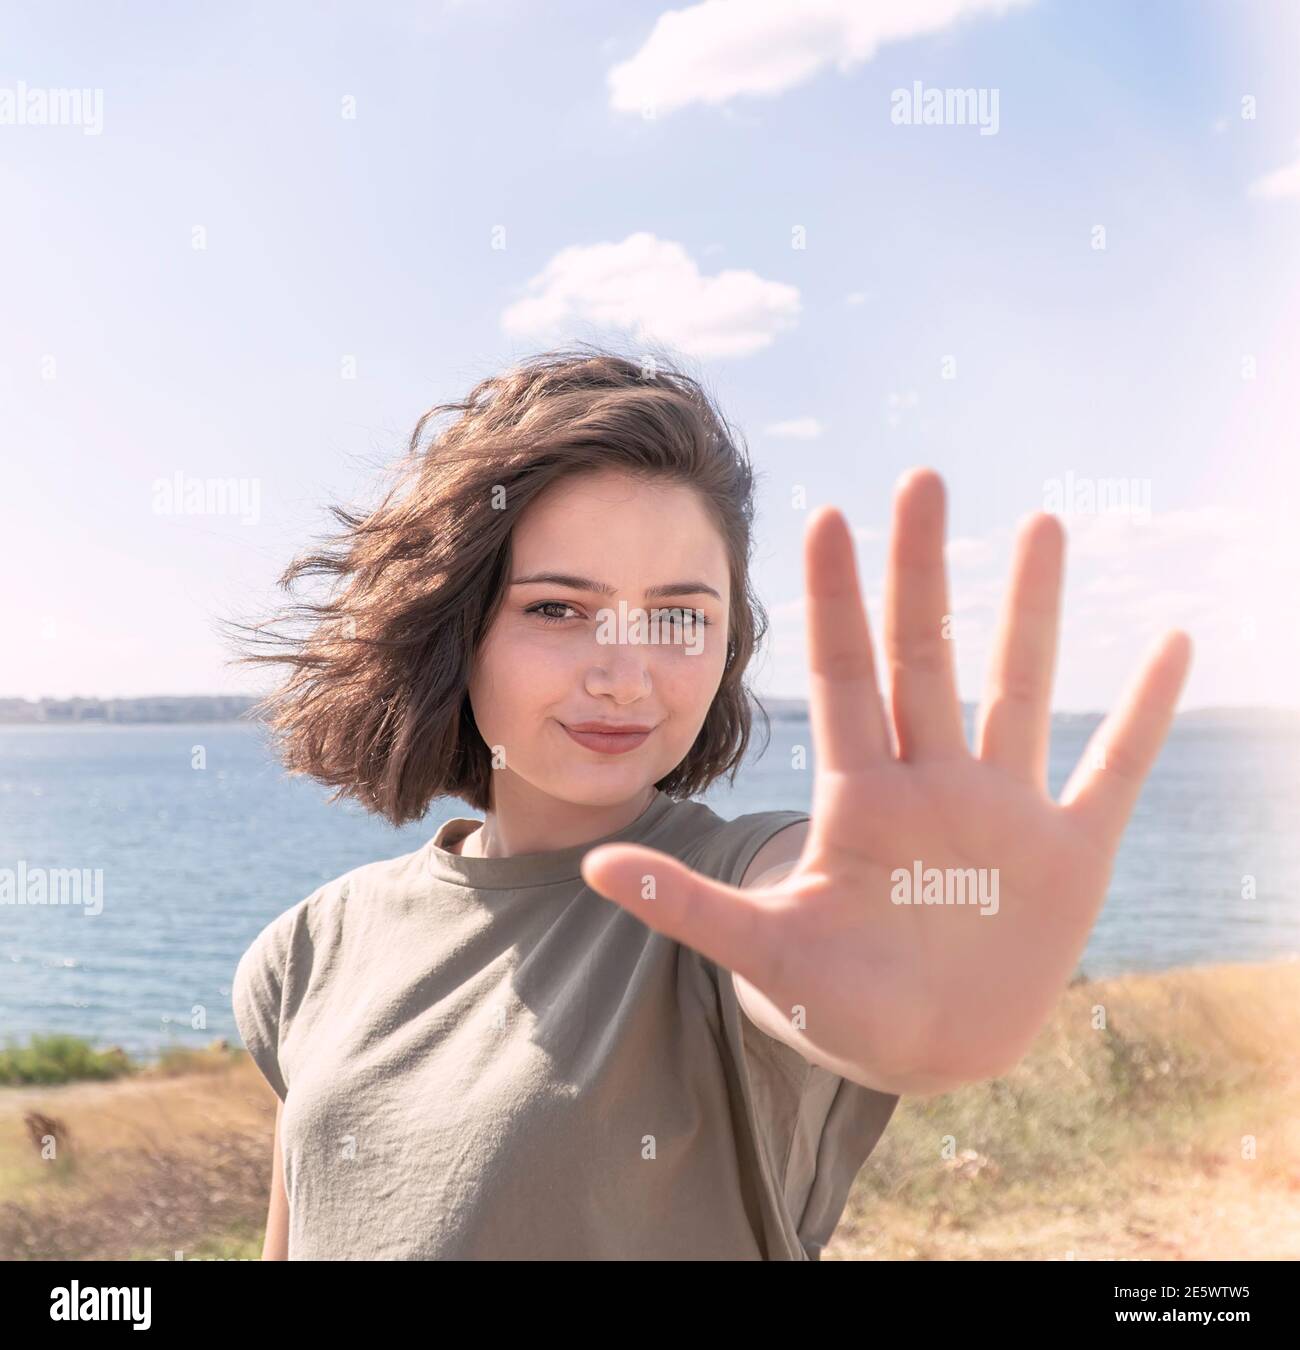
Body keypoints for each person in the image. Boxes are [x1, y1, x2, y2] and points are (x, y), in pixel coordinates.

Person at [228, 343, 1191, 1260]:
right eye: (557, 608)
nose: (624, 674)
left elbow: (821, 942)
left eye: (680, 615)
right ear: (457, 630)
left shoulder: (730, 893)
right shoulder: (310, 950)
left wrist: (928, 987)